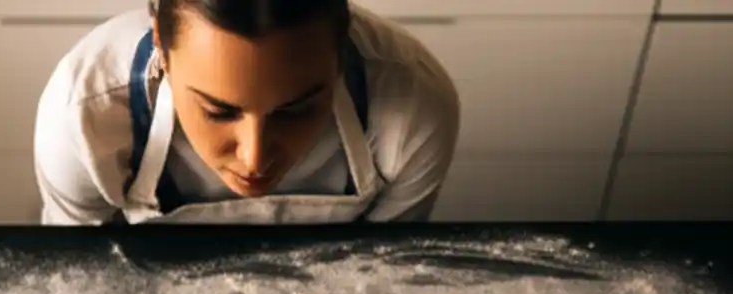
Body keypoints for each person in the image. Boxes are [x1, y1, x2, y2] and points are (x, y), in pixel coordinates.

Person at [33, 0, 460, 225]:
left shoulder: (413, 114)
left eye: (296, 110)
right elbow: (76, 287)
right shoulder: (83, 121)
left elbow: (384, 281)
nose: (255, 158)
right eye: (218, 111)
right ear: (162, 45)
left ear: (339, 51)